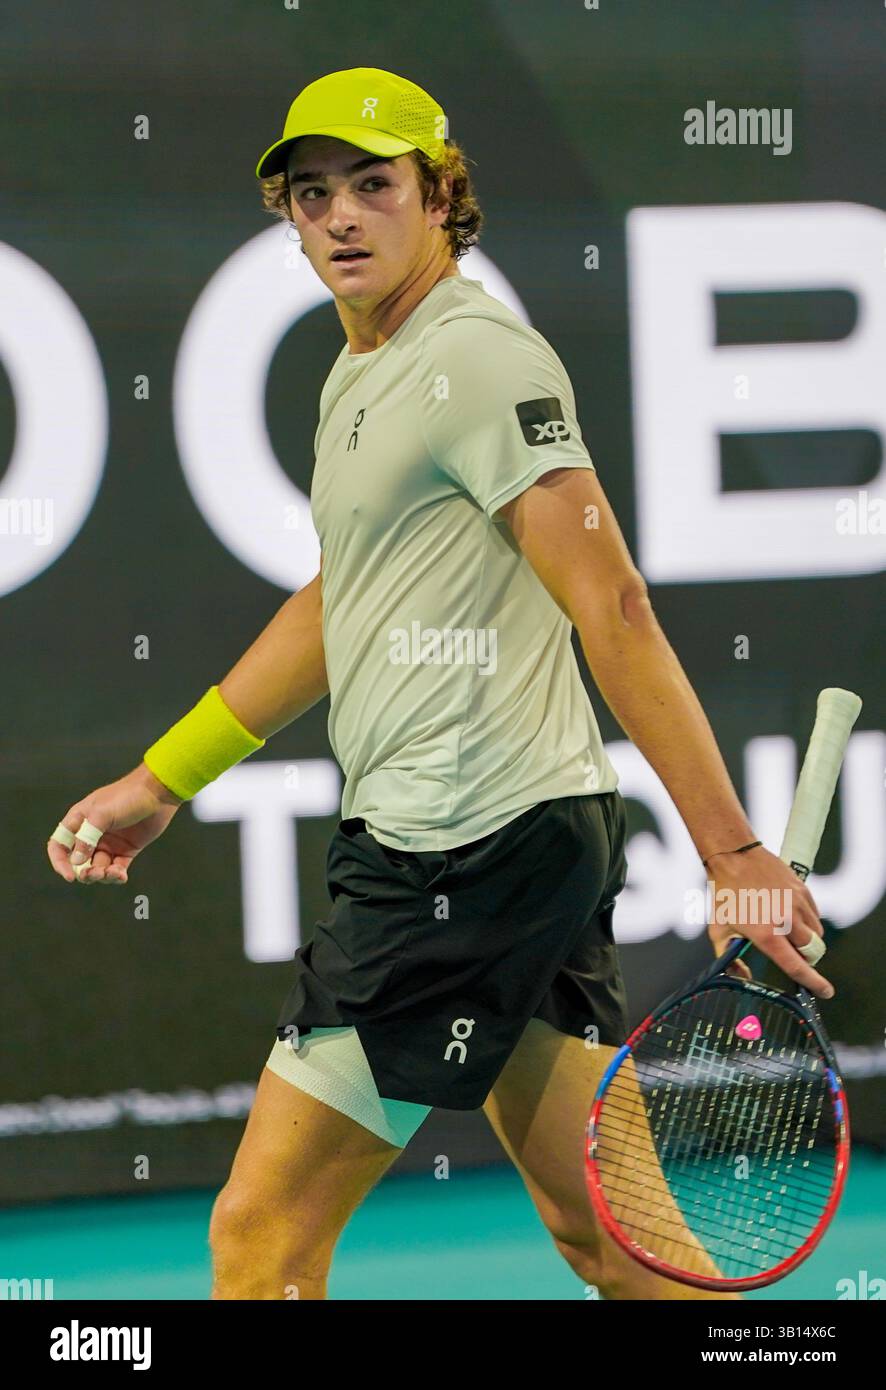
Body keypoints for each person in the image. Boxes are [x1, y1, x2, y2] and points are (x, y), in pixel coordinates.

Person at [47, 67, 830, 1301]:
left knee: (261, 1238)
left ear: (439, 196)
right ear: (288, 219)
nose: (342, 216)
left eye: (373, 185)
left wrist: (731, 851)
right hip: (506, 840)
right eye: (313, 195)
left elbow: (613, 602)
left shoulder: (474, 361)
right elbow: (337, 602)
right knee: (609, 1236)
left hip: (459, 853)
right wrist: (165, 777)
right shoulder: (364, 369)